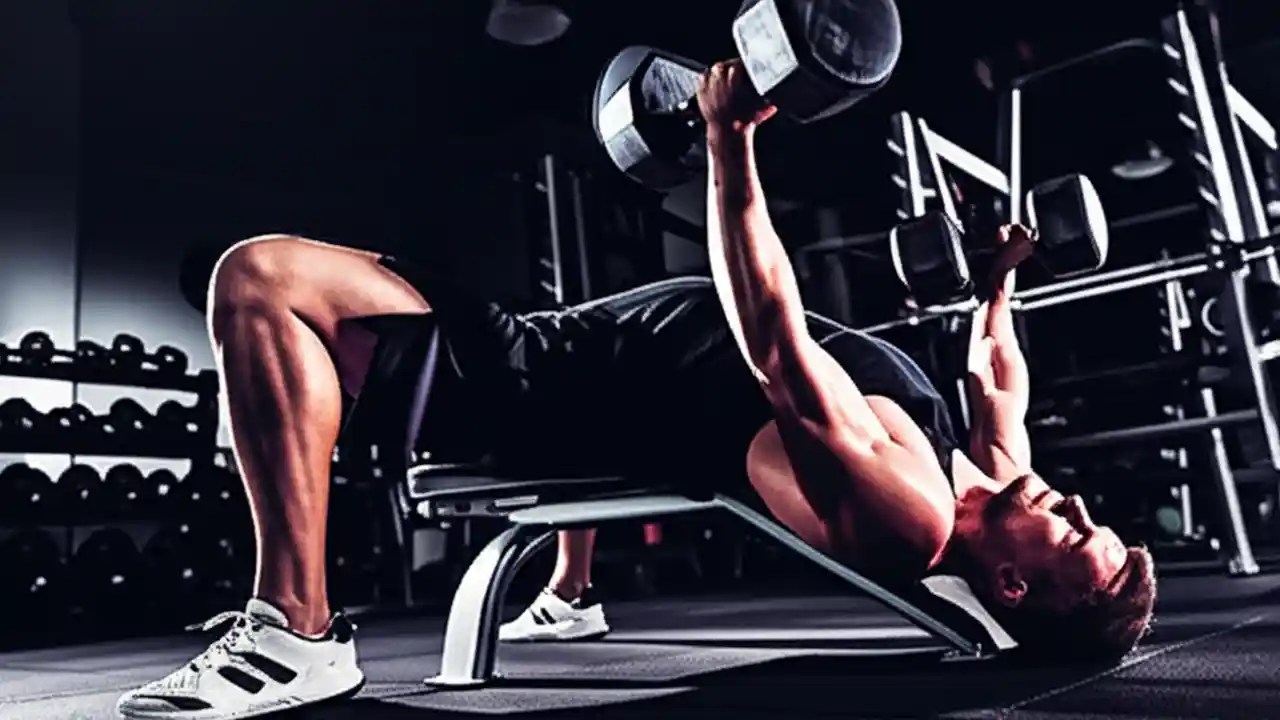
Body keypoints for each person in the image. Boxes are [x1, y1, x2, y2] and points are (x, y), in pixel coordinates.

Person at [117, 60, 1156, 720]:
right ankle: (568, 596)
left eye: (1072, 536)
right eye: (1084, 515)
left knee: (256, 276)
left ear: (1010, 588)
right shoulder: (998, 483)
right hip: (593, 356)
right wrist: (998, 281)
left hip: (550, 386)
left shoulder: (916, 516)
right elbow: (995, 374)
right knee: (314, 282)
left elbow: (779, 354)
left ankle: (294, 632)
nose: (1067, 504)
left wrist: (728, 142)